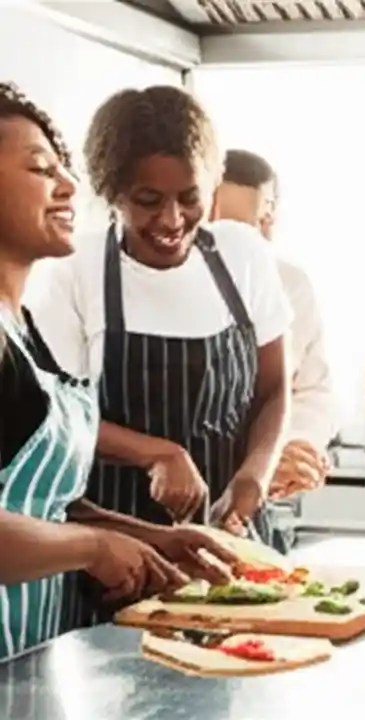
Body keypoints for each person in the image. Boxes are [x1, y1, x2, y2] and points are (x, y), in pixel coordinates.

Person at [28, 85, 292, 629]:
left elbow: (273, 390)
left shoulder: (244, 257)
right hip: (116, 555)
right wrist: (156, 452)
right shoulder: (74, 273)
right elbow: (52, 418)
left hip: (234, 544)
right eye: (148, 200)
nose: (172, 220)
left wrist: (253, 479)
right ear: (110, 190)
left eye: (190, 198)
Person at [0, 82, 235, 660]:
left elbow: (36, 503)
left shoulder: (19, 326)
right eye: (40, 169)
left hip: (21, 657)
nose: (69, 186)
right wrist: (94, 547)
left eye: (64, 168)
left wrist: (151, 537)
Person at [209, 149, 336, 551]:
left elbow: (313, 389)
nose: (249, 241)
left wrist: (296, 446)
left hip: (257, 510)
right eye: (228, 227)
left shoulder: (291, 284)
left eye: (261, 223)